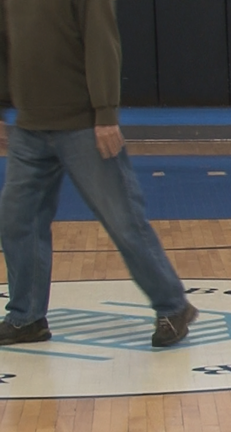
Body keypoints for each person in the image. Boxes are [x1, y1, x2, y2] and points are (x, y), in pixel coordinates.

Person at [0, 0, 197, 348]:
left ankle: (173, 306)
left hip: (83, 124)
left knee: (123, 219)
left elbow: (102, 40)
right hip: (29, 126)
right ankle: (26, 318)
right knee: (18, 220)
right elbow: (5, 41)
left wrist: (106, 113)